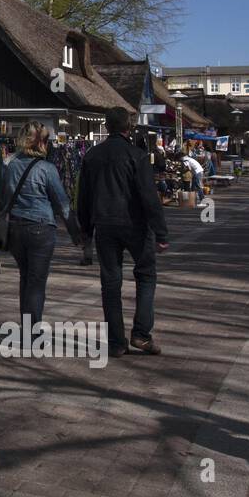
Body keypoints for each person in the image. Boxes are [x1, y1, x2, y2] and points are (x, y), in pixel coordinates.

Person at [77, 107, 170, 356]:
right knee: (146, 276)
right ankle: (140, 334)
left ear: (106, 127)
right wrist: (161, 233)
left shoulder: (92, 156)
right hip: (135, 224)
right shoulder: (137, 155)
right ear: (128, 127)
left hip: (104, 226)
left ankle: (117, 342)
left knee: (110, 283)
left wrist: (85, 229)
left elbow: (83, 197)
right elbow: (149, 197)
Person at [0, 121, 72, 327]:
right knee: (36, 282)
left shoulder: (9, 165)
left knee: (26, 278)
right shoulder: (47, 169)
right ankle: (32, 331)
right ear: (42, 142)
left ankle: (27, 326)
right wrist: (76, 233)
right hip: (41, 228)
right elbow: (62, 204)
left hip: (15, 229)